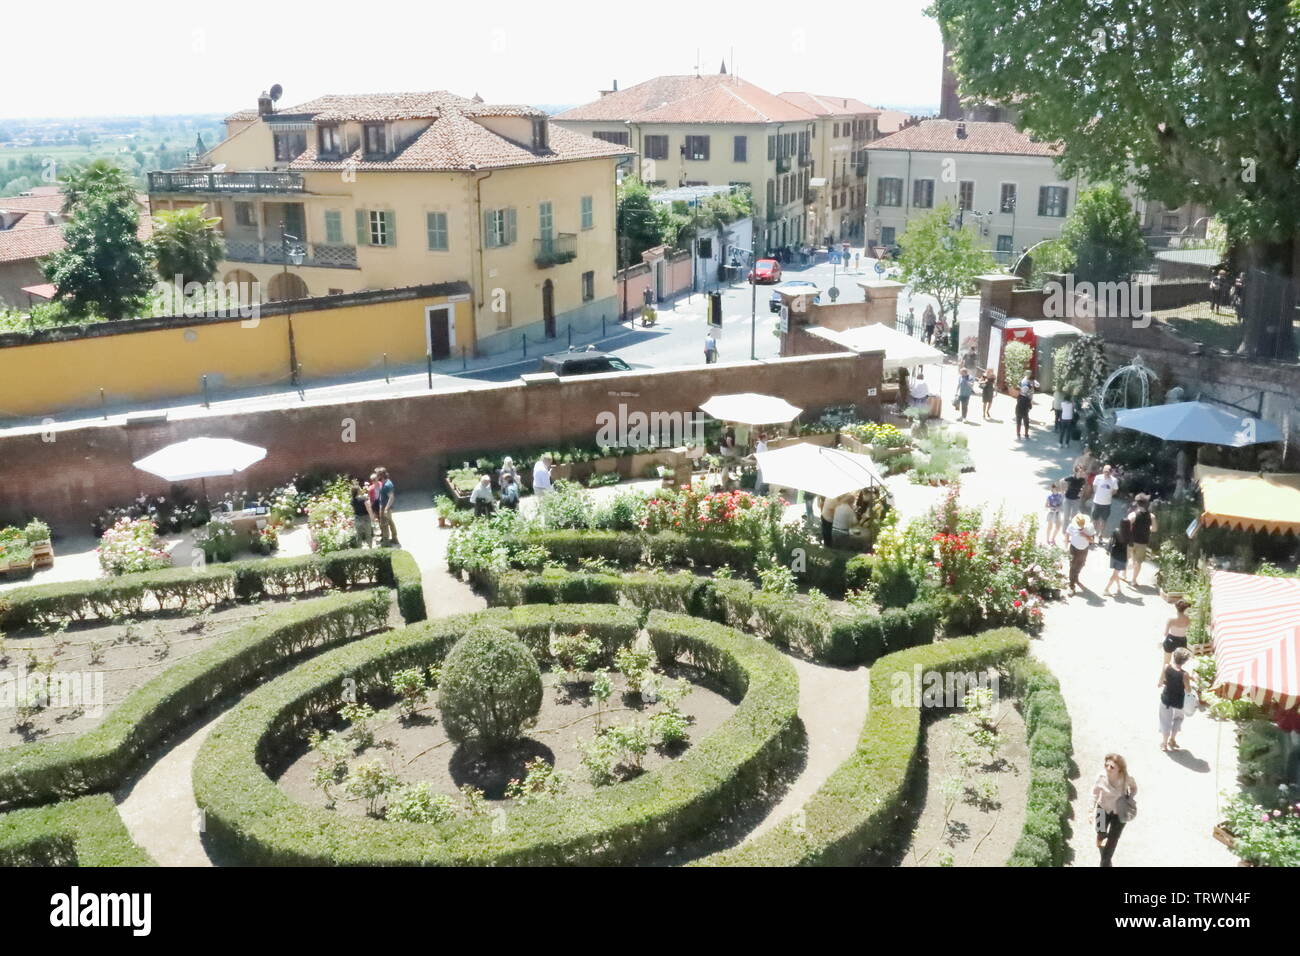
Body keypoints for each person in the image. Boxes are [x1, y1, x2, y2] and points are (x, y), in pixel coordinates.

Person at [1092, 754, 1137, 867]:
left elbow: (1134, 788)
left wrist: (1130, 797)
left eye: (1112, 767)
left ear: (1120, 769)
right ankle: (1101, 836)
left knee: (1113, 839)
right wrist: (1090, 809)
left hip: (1120, 811)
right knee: (1100, 829)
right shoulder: (1101, 777)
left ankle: (1105, 862)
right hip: (1103, 807)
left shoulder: (1127, 778)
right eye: (1106, 765)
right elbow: (1094, 793)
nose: (1108, 768)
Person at [1158, 647, 1194, 751]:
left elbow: (1160, 682)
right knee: (1178, 719)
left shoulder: (1166, 667)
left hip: (1166, 699)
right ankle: (1172, 739)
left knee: (1165, 721)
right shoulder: (1185, 674)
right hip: (1179, 702)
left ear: (1173, 656)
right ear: (1185, 661)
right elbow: (1188, 690)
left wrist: (1163, 683)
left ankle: (1164, 744)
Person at [1124, 493, 1157, 585]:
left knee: (1127, 558)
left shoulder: (1133, 515)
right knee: (1138, 562)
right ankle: (1134, 580)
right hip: (1143, 542)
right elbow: (1154, 529)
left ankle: (1124, 574)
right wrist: (1148, 528)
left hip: (1131, 541)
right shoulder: (1151, 516)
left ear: (1137, 503)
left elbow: (1125, 527)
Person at [1066, 513, 1095, 594]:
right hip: (1073, 548)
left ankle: (1076, 577)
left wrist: (1085, 535)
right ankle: (1071, 585)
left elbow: (1092, 541)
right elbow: (1067, 534)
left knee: (1081, 564)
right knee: (1073, 566)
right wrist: (1065, 546)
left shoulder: (1090, 527)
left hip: (1084, 549)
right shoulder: (1072, 526)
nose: (1080, 528)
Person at [1091, 463, 1121, 539]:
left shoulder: (1114, 480)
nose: (1107, 473)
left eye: (1108, 471)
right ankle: (1093, 533)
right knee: (1095, 519)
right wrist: (1097, 493)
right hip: (1097, 502)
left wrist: (1109, 494)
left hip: (1107, 503)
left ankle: (1100, 534)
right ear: (1103, 471)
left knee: (1104, 520)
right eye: (1105, 471)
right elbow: (1094, 486)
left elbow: (1115, 490)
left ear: (1110, 472)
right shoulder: (1098, 477)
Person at [1161, 600, 1191, 666]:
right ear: (1185, 608)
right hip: (1182, 641)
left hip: (1171, 640)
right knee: (1179, 664)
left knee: (1166, 663)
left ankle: (1163, 676)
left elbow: (1165, 633)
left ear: (1176, 607)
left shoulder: (1171, 619)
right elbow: (1188, 630)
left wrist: (1161, 642)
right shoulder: (1188, 619)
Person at [1102, 526, 1128, 596]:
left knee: (1116, 573)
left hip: (1114, 555)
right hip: (1121, 557)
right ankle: (1106, 589)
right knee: (1115, 574)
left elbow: (1111, 540)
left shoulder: (1116, 531)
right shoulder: (1129, 535)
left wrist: (1108, 550)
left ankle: (1119, 588)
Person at [374, 466, 397, 546]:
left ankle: (386, 542)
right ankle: (394, 539)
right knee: (390, 522)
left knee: (384, 524)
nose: (376, 475)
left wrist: (386, 508)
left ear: (381, 475)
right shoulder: (385, 482)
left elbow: (391, 497)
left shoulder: (387, 485)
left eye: (377, 474)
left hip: (385, 507)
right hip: (384, 506)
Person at [351, 481, 375, 548]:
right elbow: (368, 509)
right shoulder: (364, 498)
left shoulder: (352, 500)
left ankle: (360, 549)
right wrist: (372, 517)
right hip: (366, 518)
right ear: (358, 490)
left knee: (359, 535)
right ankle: (370, 547)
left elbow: (353, 510)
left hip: (357, 518)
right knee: (368, 534)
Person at [1014, 374, 1037, 440]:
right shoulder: (1028, 399)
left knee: (1018, 423)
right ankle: (1026, 434)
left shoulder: (1019, 397)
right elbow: (1030, 407)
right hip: (1024, 412)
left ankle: (1018, 434)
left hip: (1017, 410)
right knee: (1026, 423)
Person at [1044, 481, 1064, 546]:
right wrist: (1052, 507)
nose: (1056, 489)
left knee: (1058, 527)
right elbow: (1046, 505)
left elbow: (1062, 504)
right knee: (1050, 526)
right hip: (1051, 512)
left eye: (1056, 488)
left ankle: (1053, 538)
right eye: (1054, 487)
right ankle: (1047, 539)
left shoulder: (1060, 495)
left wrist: (1059, 508)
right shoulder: (1049, 496)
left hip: (1058, 513)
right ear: (1052, 489)